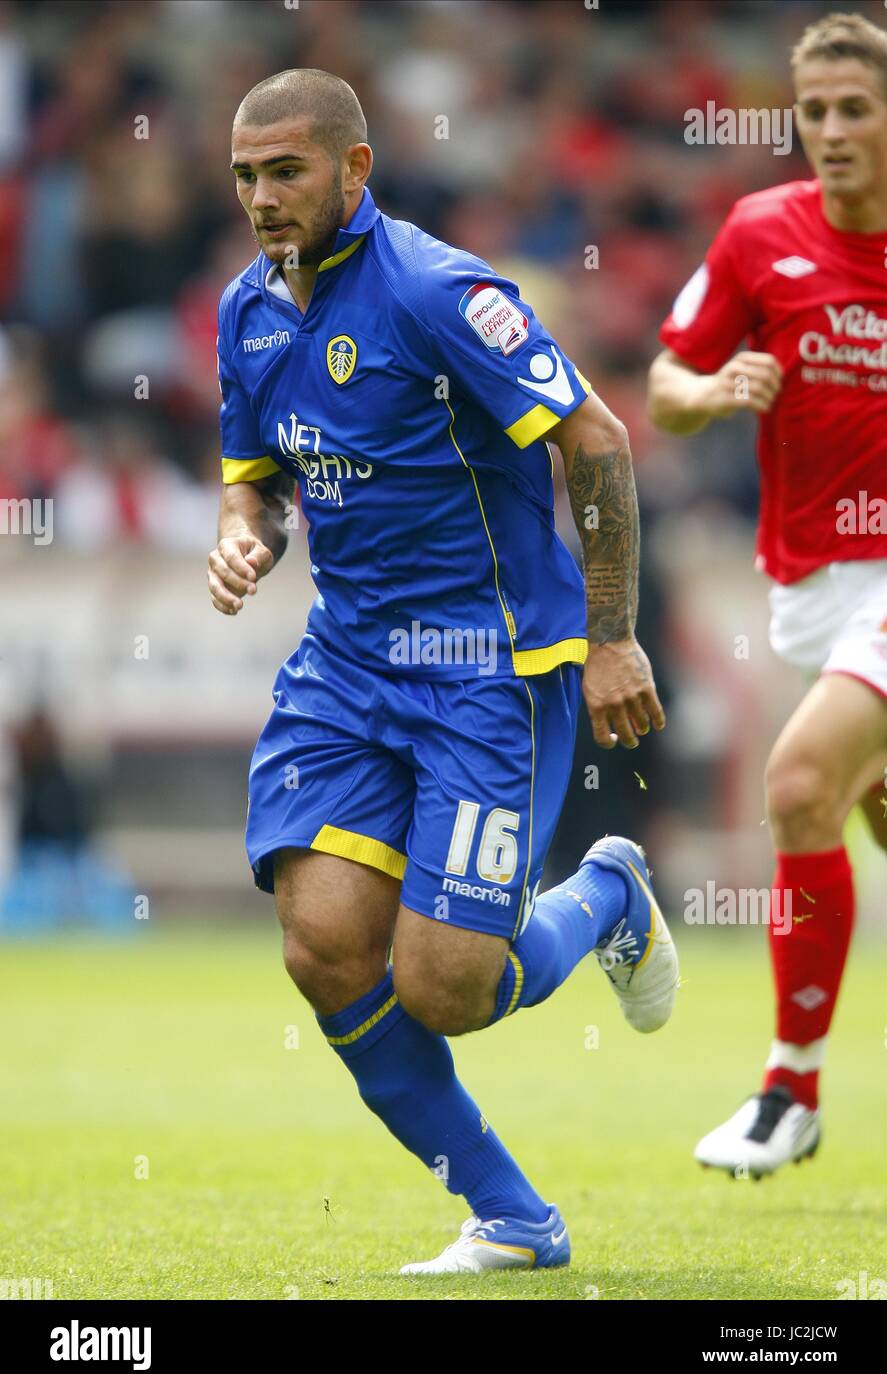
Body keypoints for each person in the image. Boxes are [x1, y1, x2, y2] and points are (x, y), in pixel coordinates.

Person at [209, 68, 676, 1273]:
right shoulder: (246, 314)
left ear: (354, 170)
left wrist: (614, 634)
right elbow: (261, 478)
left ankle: (608, 894)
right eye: (245, 176)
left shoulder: (436, 292)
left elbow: (595, 438)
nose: (262, 198)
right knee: (320, 946)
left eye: (286, 171)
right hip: (345, 669)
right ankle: (512, 1215)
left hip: (486, 672)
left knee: (447, 985)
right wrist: (243, 537)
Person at [647, 13, 887, 1179]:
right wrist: (712, 384)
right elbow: (662, 385)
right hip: (809, 590)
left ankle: (786, 1088)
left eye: (856, 108)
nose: (831, 131)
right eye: (814, 111)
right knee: (867, 817)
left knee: (794, 787)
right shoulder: (758, 234)